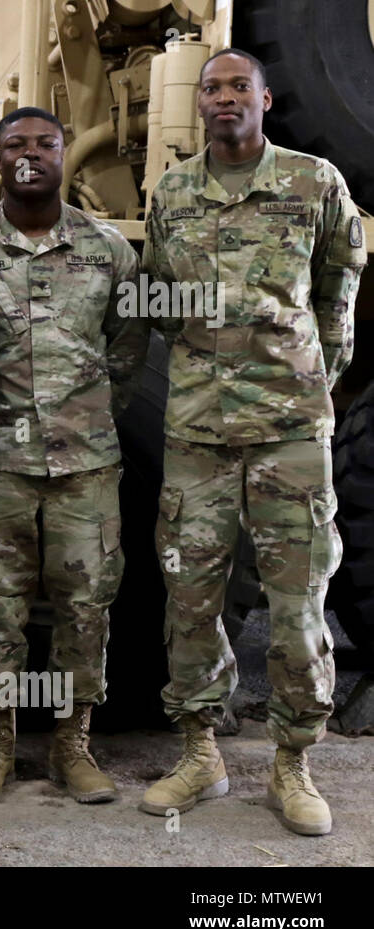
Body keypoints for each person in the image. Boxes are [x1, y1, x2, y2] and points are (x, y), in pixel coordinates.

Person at [139, 49, 366, 836]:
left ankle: (292, 762)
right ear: (198, 104)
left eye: (240, 86)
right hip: (198, 431)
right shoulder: (173, 192)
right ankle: (201, 755)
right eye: (212, 88)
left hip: (291, 432)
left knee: (299, 605)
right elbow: (164, 297)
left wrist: (310, 379)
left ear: (265, 99)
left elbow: (341, 289)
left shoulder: (314, 182)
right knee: (190, 600)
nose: (225, 97)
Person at [0, 107, 145, 805]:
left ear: (65, 155)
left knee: (85, 607)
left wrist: (86, 418)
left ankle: (72, 745)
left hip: (87, 467)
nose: (30, 155)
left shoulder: (108, 249)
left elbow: (128, 346)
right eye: (15, 144)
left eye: (45, 143)